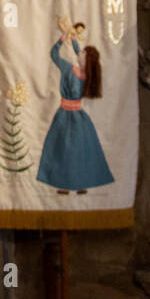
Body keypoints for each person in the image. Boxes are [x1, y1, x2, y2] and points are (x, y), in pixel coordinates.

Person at [36, 21, 113, 194]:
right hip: (70, 115)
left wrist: (64, 41)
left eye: (83, 54)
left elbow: (55, 54)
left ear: (86, 60)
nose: (80, 54)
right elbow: (71, 53)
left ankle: (78, 183)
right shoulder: (81, 73)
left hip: (69, 115)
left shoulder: (73, 71)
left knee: (72, 151)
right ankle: (67, 184)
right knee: (67, 150)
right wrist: (69, 40)